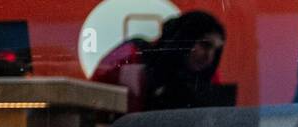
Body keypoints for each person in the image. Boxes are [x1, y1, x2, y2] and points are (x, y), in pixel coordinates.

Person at [92, 11, 227, 112]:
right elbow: (92, 98)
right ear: (185, 39)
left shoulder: (208, 77)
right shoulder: (133, 55)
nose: (209, 56)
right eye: (205, 45)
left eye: (216, 50)